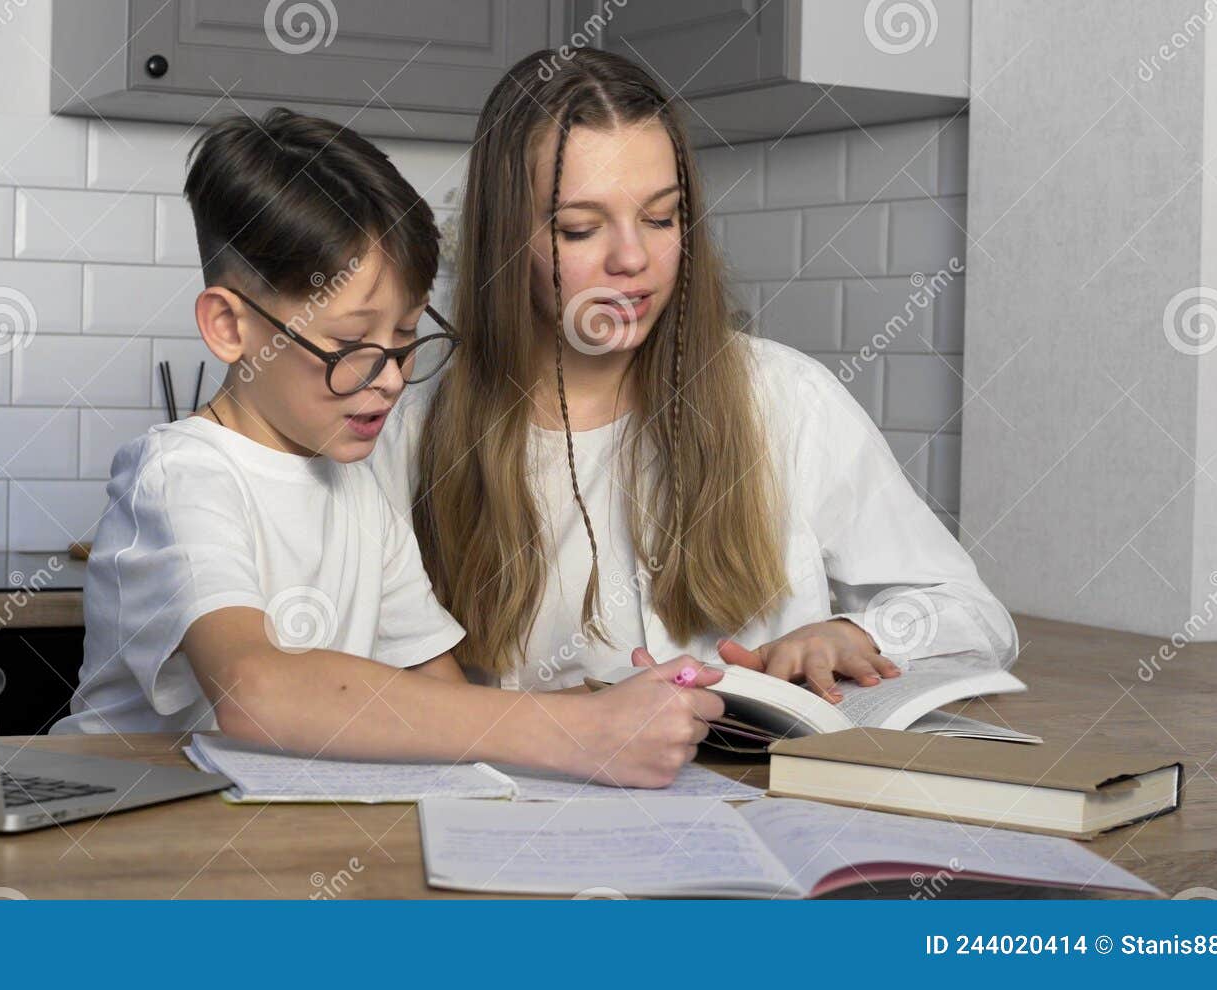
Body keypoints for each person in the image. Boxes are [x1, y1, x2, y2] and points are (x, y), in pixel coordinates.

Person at [53, 108, 724, 789]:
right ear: (230, 326)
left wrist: (599, 710)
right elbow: (257, 692)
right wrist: (570, 734)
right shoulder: (180, 475)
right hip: (124, 824)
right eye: (350, 348)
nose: (393, 379)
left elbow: (445, 702)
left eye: (405, 339)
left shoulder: (355, 485)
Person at [372, 48, 1018, 700]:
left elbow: (975, 616)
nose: (634, 258)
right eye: (580, 228)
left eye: (661, 217)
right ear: (505, 239)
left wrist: (858, 634)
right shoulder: (411, 427)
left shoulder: (787, 400)